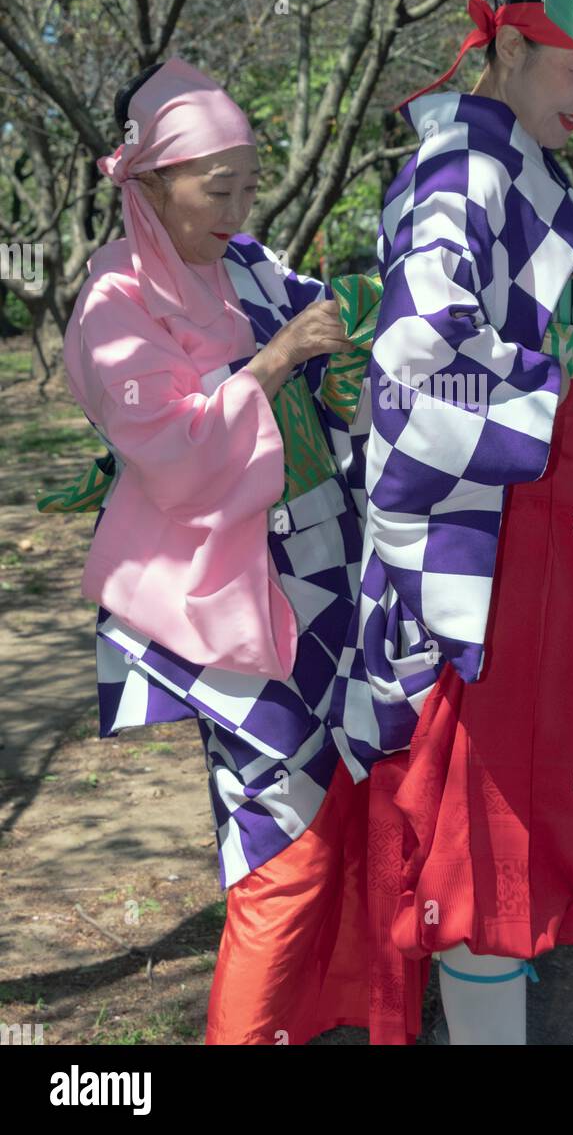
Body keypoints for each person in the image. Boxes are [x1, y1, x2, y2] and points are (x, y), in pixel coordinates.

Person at [325, 0, 573, 1044]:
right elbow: (413, 350)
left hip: (526, 506)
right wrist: (547, 386)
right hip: (473, 534)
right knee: (471, 825)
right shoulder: (463, 169)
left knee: (504, 810)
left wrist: (552, 386)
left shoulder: (525, 168)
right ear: (506, 42)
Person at [60, 57, 374, 1043]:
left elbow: (329, 367)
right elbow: (167, 449)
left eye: (250, 182)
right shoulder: (116, 300)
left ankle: (323, 1009)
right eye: (219, 186)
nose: (242, 206)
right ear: (151, 182)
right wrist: (276, 358)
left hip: (322, 569)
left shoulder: (246, 264)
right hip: (226, 607)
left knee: (342, 810)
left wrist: (343, 350)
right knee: (282, 845)